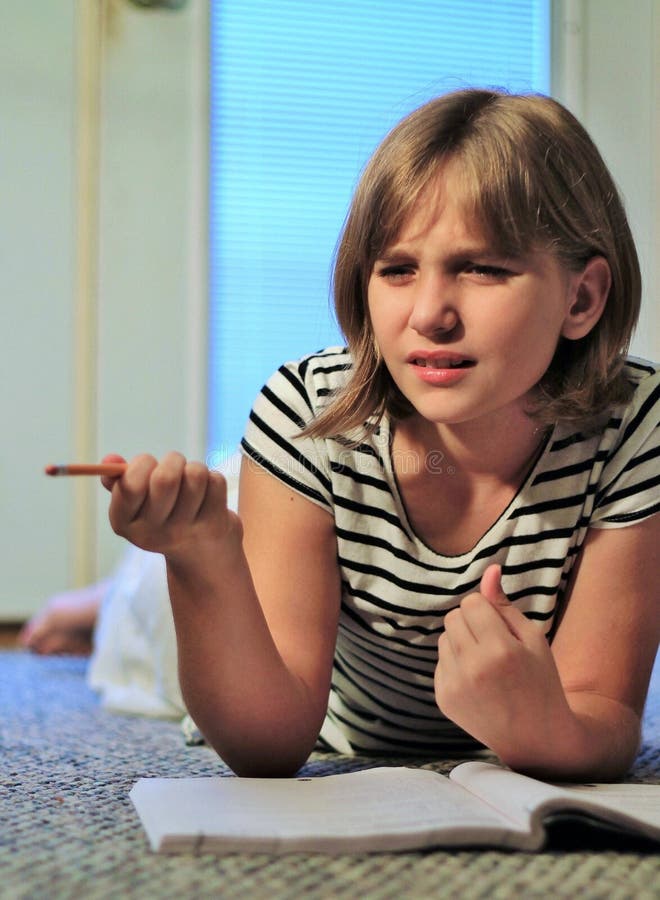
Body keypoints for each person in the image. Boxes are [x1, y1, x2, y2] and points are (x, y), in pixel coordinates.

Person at [99, 89, 659, 780]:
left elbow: (603, 716)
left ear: (583, 298)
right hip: (286, 643)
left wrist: (542, 727)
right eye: (397, 269)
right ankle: (101, 599)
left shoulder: (637, 423)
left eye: (482, 268)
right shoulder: (304, 410)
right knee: (141, 616)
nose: (429, 315)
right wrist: (200, 557)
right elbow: (267, 744)